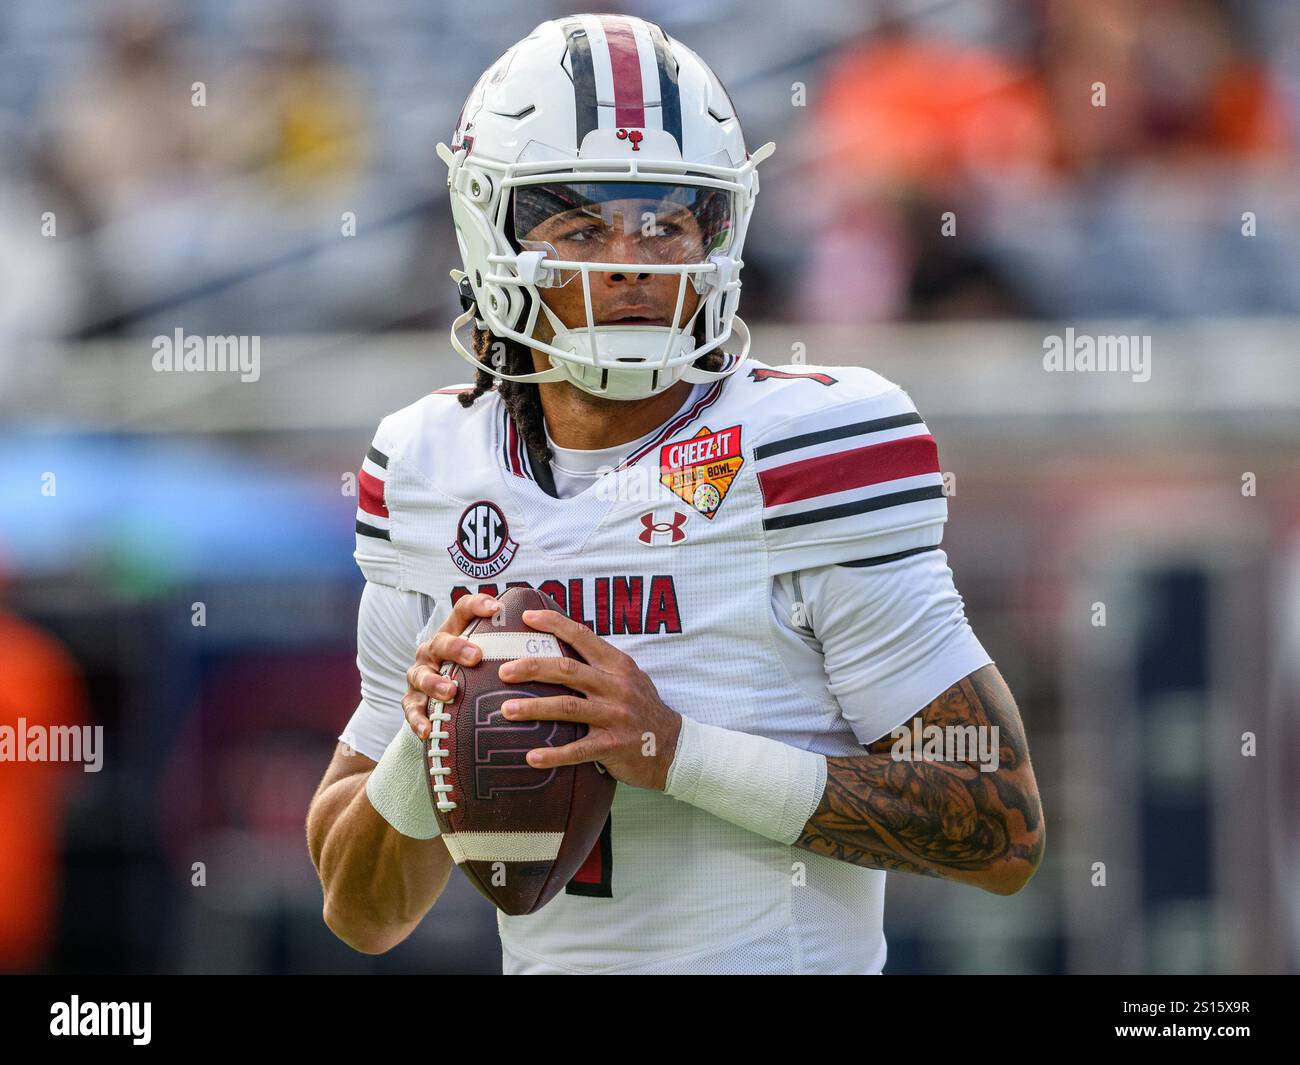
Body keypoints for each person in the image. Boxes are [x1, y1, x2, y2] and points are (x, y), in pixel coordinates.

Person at [306, 13, 1043, 975]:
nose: (631, 262)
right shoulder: (429, 466)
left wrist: (677, 752)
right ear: (491, 232)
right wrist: (428, 740)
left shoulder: (804, 446)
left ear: (721, 231)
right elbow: (362, 914)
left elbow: (998, 827)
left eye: (668, 219)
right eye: (580, 224)